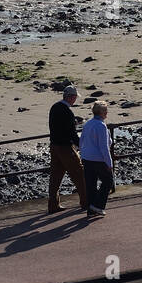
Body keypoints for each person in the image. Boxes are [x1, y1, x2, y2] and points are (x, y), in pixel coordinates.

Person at [48, 85, 87, 214]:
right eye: (75, 97)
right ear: (71, 97)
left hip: (54, 145)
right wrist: (81, 145)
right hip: (65, 147)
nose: (75, 100)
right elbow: (72, 133)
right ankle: (86, 201)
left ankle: (53, 204)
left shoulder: (54, 107)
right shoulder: (68, 112)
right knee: (79, 173)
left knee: (56, 176)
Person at [79, 101, 115, 218]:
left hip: (87, 158)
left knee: (91, 184)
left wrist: (82, 153)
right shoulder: (101, 125)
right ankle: (98, 205)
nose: (107, 113)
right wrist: (109, 163)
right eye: (105, 111)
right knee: (108, 181)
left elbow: (82, 141)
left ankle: (91, 209)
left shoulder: (88, 123)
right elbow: (104, 147)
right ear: (101, 112)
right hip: (98, 159)